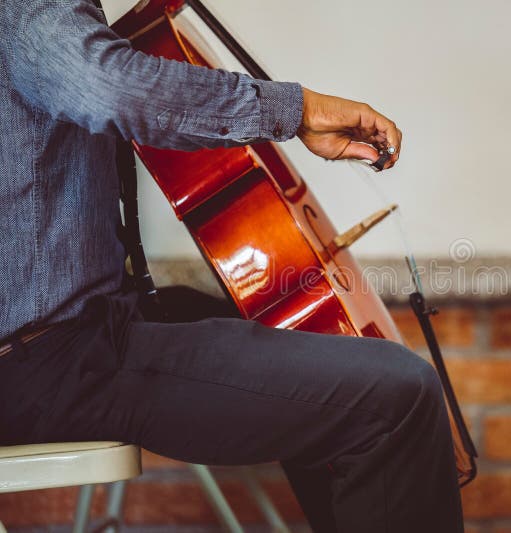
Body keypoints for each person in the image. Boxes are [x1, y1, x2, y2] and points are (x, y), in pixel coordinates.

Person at [0, 1, 464, 532]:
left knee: (269, 329)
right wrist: (298, 108)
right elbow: (105, 85)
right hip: (47, 359)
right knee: (397, 397)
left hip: (55, 340)